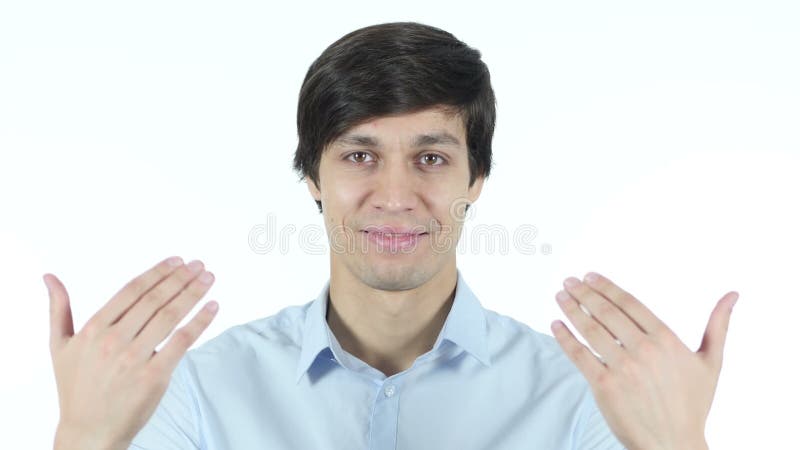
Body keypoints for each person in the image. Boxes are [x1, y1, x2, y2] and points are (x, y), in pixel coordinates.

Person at [46, 21, 737, 450]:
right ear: (312, 176)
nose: (397, 196)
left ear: (477, 179)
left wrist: (679, 446)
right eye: (359, 155)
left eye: (431, 158)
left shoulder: (583, 397)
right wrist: (82, 440)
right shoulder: (197, 390)